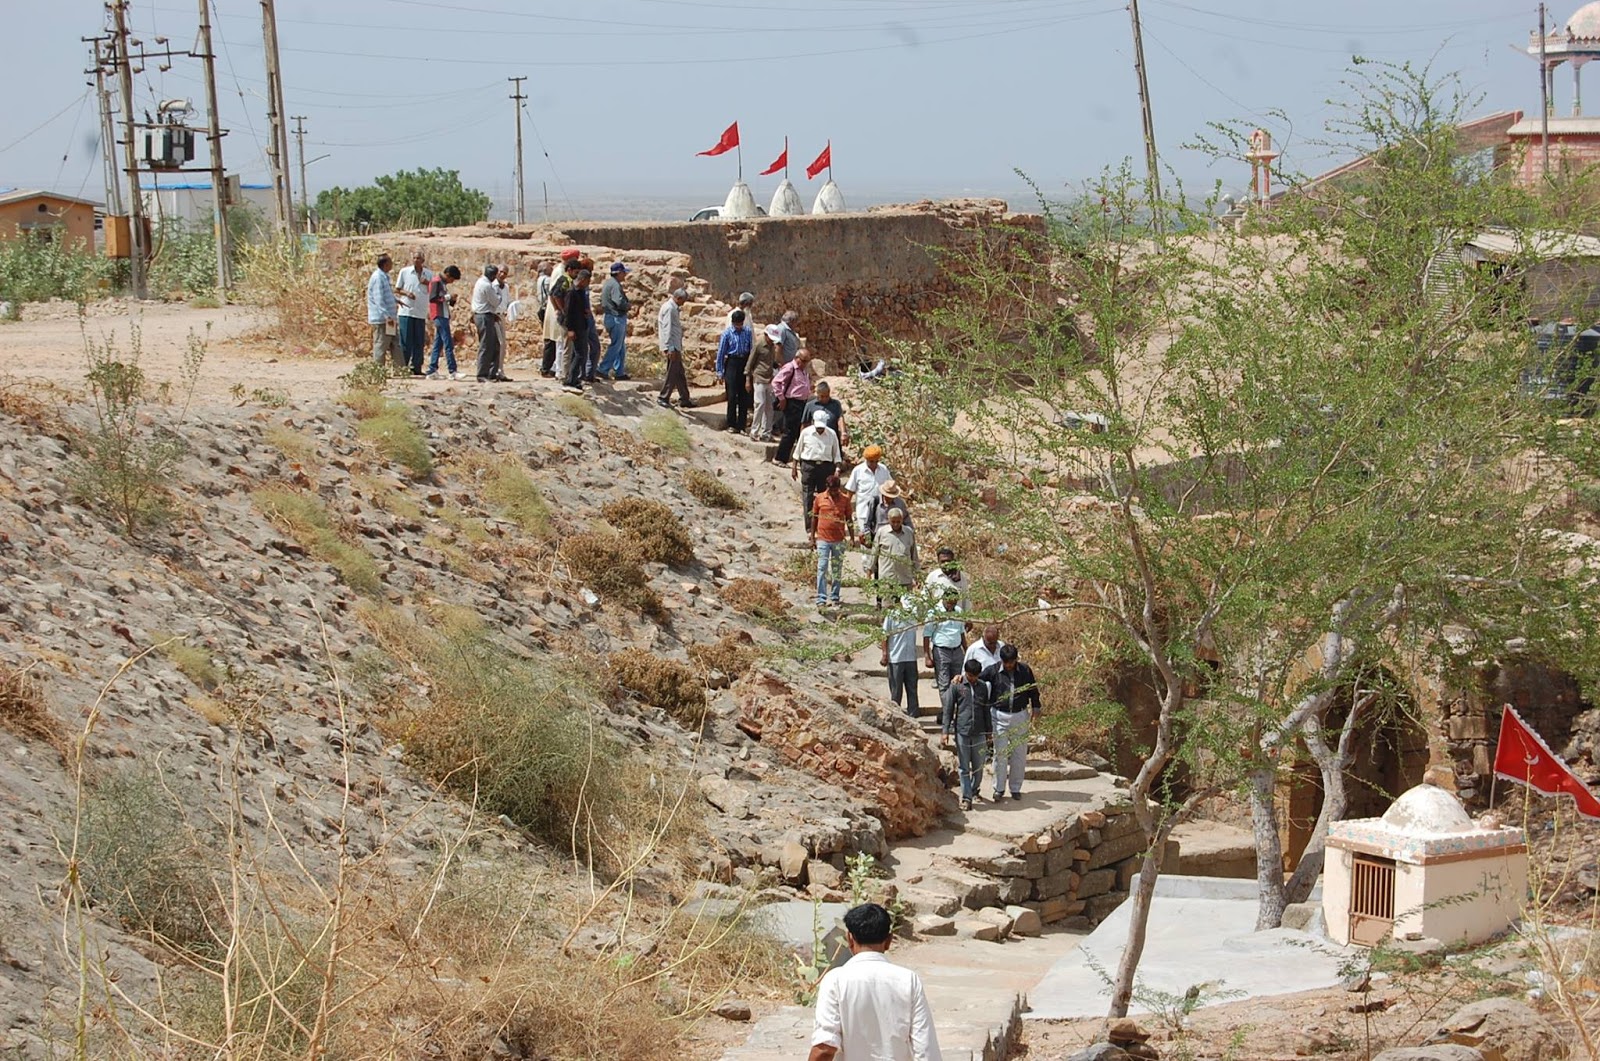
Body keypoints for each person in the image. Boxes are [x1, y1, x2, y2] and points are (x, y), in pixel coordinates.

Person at [809, 903, 942, 1061]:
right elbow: (925, 1050)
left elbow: (825, 1047)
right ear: (889, 940)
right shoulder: (908, 980)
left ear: (849, 938)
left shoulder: (835, 980)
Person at [981, 644, 1041, 802]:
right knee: (1000, 754)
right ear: (1001, 660)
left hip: (1020, 715)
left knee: (1019, 755)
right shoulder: (992, 670)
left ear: (1016, 660)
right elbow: (977, 680)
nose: (1009, 665)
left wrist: (1036, 707)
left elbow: (1033, 690)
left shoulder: (1025, 670)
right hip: (999, 716)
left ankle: (1015, 788)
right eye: (1006, 662)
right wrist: (962, 678)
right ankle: (998, 789)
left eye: (1011, 662)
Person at [943, 658, 992, 810]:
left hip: (979, 731)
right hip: (962, 731)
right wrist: (945, 731)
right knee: (964, 767)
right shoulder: (957, 686)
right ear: (966, 673)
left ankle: (974, 789)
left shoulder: (983, 687)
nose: (973, 679)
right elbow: (949, 709)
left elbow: (986, 709)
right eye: (971, 676)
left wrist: (989, 731)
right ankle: (966, 798)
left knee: (978, 766)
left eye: (976, 676)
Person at [794, 409, 842, 536]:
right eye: (818, 427)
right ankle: (809, 527)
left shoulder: (832, 434)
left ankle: (821, 524)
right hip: (809, 466)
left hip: (826, 468)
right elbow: (798, 451)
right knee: (807, 496)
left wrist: (837, 470)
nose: (820, 430)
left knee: (824, 498)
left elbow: (836, 454)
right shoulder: (806, 433)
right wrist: (794, 468)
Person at [811, 473, 852, 608]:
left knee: (836, 569)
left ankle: (835, 596)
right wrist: (813, 537)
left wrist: (851, 537)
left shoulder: (845, 500)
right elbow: (814, 518)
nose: (834, 493)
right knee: (822, 568)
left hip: (838, 540)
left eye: (836, 489)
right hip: (823, 538)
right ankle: (821, 598)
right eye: (832, 490)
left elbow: (849, 519)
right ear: (827, 487)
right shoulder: (819, 498)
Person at [772, 347, 815, 466]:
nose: (806, 363)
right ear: (797, 358)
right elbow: (776, 382)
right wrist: (781, 398)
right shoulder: (790, 368)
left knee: (799, 432)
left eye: (807, 361)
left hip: (802, 403)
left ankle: (800, 460)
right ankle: (779, 458)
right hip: (792, 403)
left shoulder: (803, 370)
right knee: (790, 432)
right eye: (804, 360)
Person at [881, 595, 922, 717]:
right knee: (896, 690)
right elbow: (884, 635)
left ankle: (914, 715)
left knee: (912, 688)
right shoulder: (892, 616)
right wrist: (885, 654)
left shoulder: (913, 616)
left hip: (911, 658)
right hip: (896, 658)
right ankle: (895, 715)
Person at [543, 248, 580, 379]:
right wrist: (562, 309)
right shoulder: (562, 274)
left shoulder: (560, 270)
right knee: (561, 342)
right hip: (559, 311)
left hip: (558, 310)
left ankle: (558, 369)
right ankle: (560, 372)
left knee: (560, 342)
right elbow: (556, 294)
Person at [393, 250, 431, 375]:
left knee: (419, 341)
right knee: (405, 341)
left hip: (420, 312)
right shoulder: (405, 272)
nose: (416, 260)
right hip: (406, 311)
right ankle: (403, 368)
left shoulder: (428, 274)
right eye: (414, 258)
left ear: (423, 261)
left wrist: (427, 283)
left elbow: (435, 289)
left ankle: (416, 367)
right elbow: (397, 289)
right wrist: (407, 293)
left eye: (418, 258)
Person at [717, 308, 754, 434]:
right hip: (732, 363)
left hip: (744, 362)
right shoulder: (727, 334)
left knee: (744, 395)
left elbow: (751, 349)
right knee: (732, 395)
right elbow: (721, 353)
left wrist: (750, 368)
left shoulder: (747, 332)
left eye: (740, 324)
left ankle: (741, 425)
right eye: (736, 324)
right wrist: (720, 371)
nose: (738, 326)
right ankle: (731, 424)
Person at [844, 445, 892, 545]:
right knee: (867, 542)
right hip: (864, 513)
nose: (874, 464)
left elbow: (890, 488)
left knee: (881, 541)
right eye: (871, 461)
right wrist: (845, 510)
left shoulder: (883, 469)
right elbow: (850, 493)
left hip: (881, 512)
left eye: (876, 461)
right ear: (866, 459)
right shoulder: (858, 471)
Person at [922, 590, 966, 698]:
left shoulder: (959, 611)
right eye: (949, 603)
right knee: (944, 684)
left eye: (954, 603)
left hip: (957, 651)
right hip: (941, 651)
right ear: (943, 599)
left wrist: (967, 649)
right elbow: (926, 635)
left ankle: (957, 710)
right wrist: (927, 656)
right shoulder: (934, 612)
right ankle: (947, 712)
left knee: (959, 682)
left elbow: (961, 633)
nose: (951, 605)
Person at [871, 506, 918, 603]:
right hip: (887, 578)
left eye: (898, 521)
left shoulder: (909, 532)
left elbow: (914, 554)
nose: (896, 524)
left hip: (905, 578)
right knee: (888, 608)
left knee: (905, 608)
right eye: (893, 522)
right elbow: (874, 553)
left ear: (902, 520)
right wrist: (870, 571)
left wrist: (916, 574)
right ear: (888, 520)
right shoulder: (882, 532)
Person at [424, 264, 461, 379]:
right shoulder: (436, 282)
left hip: (444, 314)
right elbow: (433, 298)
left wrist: (452, 300)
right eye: (452, 279)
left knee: (438, 343)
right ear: (448, 275)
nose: (452, 282)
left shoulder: (443, 284)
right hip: (438, 315)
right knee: (448, 343)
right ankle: (452, 370)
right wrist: (448, 297)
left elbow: (444, 300)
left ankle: (432, 370)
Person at [657, 288, 693, 408]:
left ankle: (685, 398)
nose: (683, 303)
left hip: (675, 344)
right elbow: (667, 329)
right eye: (683, 301)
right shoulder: (670, 308)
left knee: (679, 373)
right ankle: (663, 397)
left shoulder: (672, 308)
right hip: (672, 345)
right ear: (679, 298)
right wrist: (670, 347)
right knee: (672, 372)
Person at [561, 267, 595, 393]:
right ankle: (570, 380)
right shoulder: (572, 292)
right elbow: (568, 312)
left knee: (580, 354)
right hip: (575, 327)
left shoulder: (580, 291)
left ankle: (574, 379)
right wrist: (570, 329)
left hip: (582, 326)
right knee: (579, 354)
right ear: (583, 280)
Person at [598, 261, 632, 380]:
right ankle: (603, 369)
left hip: (610, 317)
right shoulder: (615, 285)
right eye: (623, 273)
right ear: (619, 273)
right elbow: (618, 301)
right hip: (616, 317)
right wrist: (627, 305)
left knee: (620, 346)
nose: (625, 275)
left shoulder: (609, 283)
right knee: (616, 346)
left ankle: (619, 371)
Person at [748, 323, 780, 441]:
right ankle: (754, 431)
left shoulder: (772, 346)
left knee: (769, 407)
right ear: (766, 335)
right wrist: (748, 379)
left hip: (769, 378)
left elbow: (770, 360)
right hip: (759, 377)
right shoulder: (759, 345)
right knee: (759, 404)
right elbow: (750, 362)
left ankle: (766, 432)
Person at [366, 253, 398, 368]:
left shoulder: (384, 276)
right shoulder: (378, 277)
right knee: (381, 344)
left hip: (390, 318)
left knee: (395, 343)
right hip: (382, 319)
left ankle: (400, 370)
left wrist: (397, 301)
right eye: (390, 262)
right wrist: (386, 316)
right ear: (385, 264)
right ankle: (378, 370)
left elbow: (386, 295)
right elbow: (378, 298)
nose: (392, 265)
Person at [470, 264, 502, 382]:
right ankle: (482, 374)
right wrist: (499, 294)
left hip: (484, 315)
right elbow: (495, 301)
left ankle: (491, 372)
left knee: (494, 344)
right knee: (486, 345)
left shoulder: (480, 282)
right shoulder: (487, 286)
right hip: (484, 316)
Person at [926, 547, 973, 616]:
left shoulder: (960, 577)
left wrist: (968, 617)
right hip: (938, 617)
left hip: (957, 617)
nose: (946, 564)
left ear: (953, 561)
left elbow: (966, 598)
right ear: (938, 562)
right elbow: (926, 598)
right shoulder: (933, 576)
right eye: (943, 561)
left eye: (948, 561)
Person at [802, 380, 848, 449]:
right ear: (817, 394)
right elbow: (805, 424)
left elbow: (840, 418)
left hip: (832, 440)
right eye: (822, 396)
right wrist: (803, 440)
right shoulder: (810, 405)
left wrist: (843, 433)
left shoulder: (836, 404)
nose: (825, 399)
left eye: (827, 396)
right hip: (815, 440)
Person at [490, 263, 513, 381]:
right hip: (493, 316)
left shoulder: (506, 287)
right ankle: (492, 371)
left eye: (505, 273)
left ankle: (500, 370)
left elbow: (507, 302)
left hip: (501, 315)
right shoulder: (492, 286)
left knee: (502, 344)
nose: (502, 274)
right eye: (501, 271)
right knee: (496, 344)